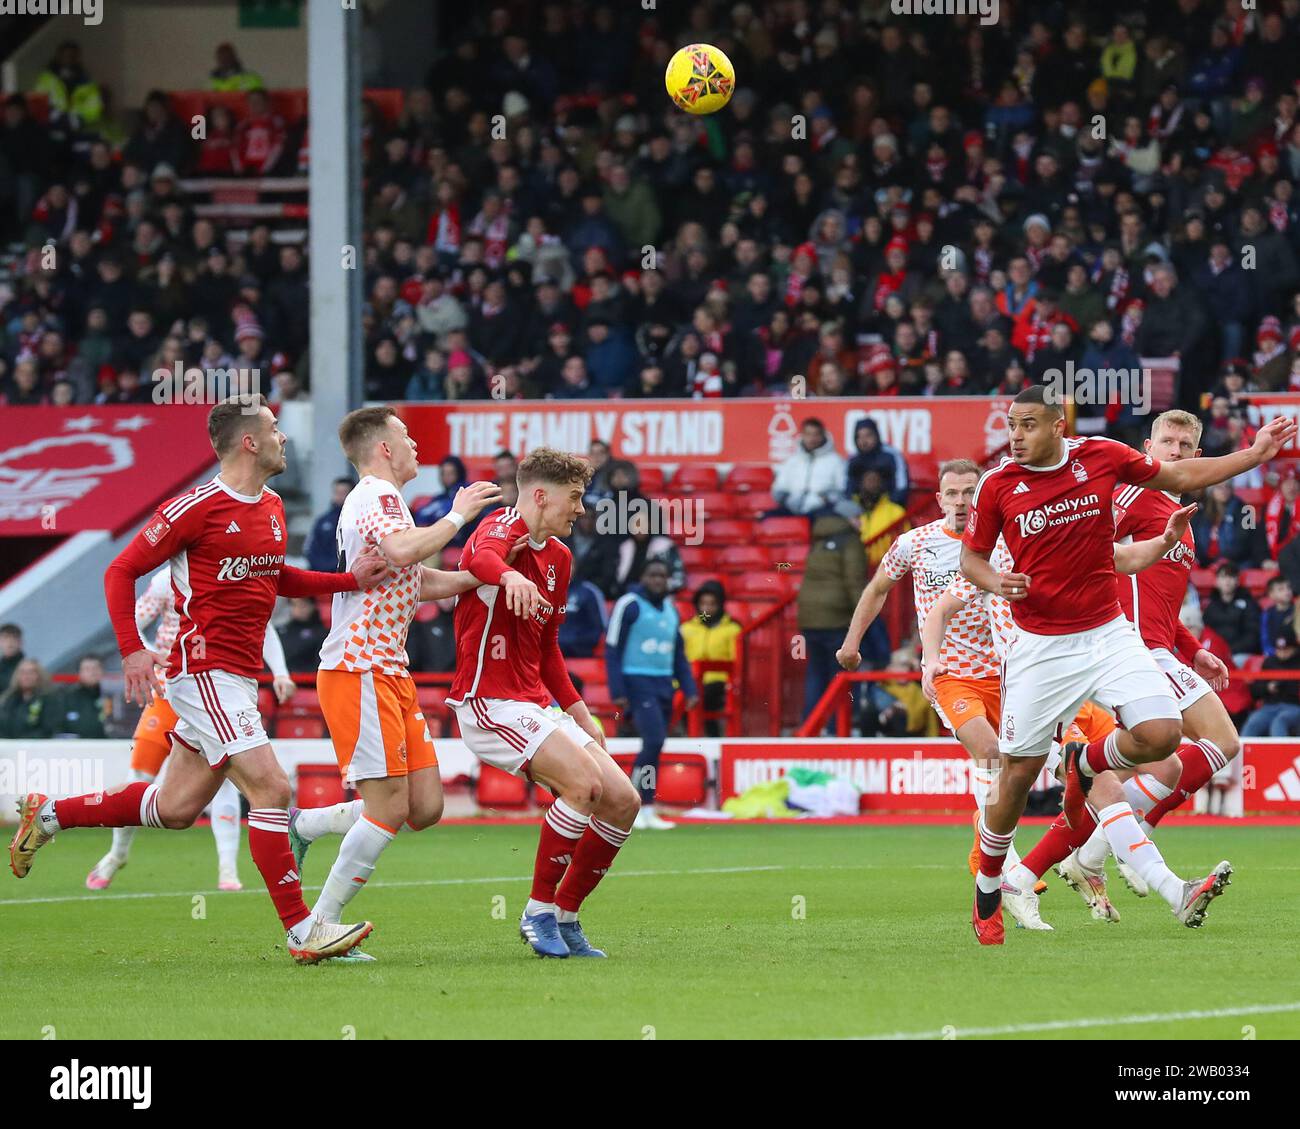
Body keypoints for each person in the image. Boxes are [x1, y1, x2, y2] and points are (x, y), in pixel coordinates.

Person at [9, 395, 390, 965]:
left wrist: (344, 580)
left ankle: (49, 814)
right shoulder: (195, 506)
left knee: (177, 807)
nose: (285, 437)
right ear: (249, 442)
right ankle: (303, 931)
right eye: (275, 428)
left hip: (238, 676)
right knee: (271, 788)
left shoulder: (273, 506)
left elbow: (274, 575)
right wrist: (132, 651)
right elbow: (121, 569)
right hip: (200, 670)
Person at [960, 385, 1293, 944]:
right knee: (1018, 773)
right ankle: (992, 882)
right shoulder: (997, 485)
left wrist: (1256, 455)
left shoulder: (1105, 459)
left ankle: (1086, 768)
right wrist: (998, 582)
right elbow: (973, 558)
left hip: (1110, 634)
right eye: (1011, 425)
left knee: (1163, 737)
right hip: (1042, 644)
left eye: (1027, 424)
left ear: (1057, 427)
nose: (1015, 435)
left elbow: (1173, 491)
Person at [1000, 411, 1245, 924]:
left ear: (1196, 455)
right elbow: (1084, 535)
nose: (1175, 451)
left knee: (1165, 766)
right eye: (1166, 441)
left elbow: (1159, 600)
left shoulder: (1180, 516)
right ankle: (1105, 849)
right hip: (1118, 649)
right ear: (1147, 446)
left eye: (1184, 444)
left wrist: (1192, 646)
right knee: (1215, 744)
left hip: (1155, 645)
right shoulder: (1136, 496)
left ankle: (1060, 863)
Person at [285, 408, 503, 958]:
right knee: (388, 808)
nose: (415, 448)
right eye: (406, 438)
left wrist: (491, 575)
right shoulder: (377, 496)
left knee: (424, 807)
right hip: (360, 668)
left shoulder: (384, 503)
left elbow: (417, 576)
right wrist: (458, 517)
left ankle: (307, 823)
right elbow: (407, 552)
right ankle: (318, 927)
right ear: (383, 448)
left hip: (388, 668)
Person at [447, 447, 641, 959]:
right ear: (540, 495)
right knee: (584, 785)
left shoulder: (560, 556)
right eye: (574, 498)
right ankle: (537, 912)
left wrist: (580, 712)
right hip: (487, 700)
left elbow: (548, 646)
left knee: (624, 800)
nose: (581, 509)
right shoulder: (499, 527)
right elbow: (482, 559)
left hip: (535, 703)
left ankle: (566, 916)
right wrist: (509, 576)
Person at [84, 564, 298, 893]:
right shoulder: (163, 582)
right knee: (140, 776)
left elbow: (262, 626)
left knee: (224, 782)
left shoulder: (233, 574)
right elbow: (132, 619)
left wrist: (280, 672)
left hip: (215, 693)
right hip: (170, 692)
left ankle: (227, 870)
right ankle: (116, 854)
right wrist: (144, 654)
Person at [605, 559, 698, 831]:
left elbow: (678, 654)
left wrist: (689, 688)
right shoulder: (629, 605)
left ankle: (643, 807)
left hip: (663, 684)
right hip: (637, 681)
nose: (658, 580)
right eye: (653, 575)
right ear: (643, 577)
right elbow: (613, 649)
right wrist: (618, 691)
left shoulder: (671, 610)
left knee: (655, 745)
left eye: (663, 576)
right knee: (654, 740)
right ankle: (637, 806)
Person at [800, 514, 869, 725]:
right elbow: (854, 582)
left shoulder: (818, 541)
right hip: (837, 617)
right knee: (840, 675)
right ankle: (836, 726)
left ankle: (811, 725)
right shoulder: (850, 543)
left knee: (816, 674)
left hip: (809, 617)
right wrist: (865, 613)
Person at [679, 580, 742, 737]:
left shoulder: (733, 629)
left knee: (704, 697)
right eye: (703, 603)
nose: (707, 608)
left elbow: (736, 661)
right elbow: (680, 657)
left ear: (720, 604)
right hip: (689, 679)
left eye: (712, 603)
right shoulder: (686, 629)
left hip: (719, 681)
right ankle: (687, 737)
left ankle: (709, 736)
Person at [771, 418, 852, 518]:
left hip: (823, 510)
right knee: (766, 519)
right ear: (802, 435)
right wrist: (789, 500)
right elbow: (779, 488)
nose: (812, 439)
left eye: (816, 434)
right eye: (808, 434)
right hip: (791, 509)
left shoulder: (836, 461)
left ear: (823, 435)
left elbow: (842, 490)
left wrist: (823, 499)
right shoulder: (792, 461)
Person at [1241, 629, 1300, 736]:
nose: (1282, 653)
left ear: (1294, 648)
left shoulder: (1298, 662)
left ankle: (1280, 753)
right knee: (1253, 722)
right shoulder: (1270, 662)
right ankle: (1242, 752)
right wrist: (1268, 687)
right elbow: (1255, 689)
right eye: (1279, 649)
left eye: (1286, 649)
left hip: (1293, 706)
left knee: (1279, 722)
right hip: (1269, 706)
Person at [1203, 560, 1261, 661]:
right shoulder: (1211, 607)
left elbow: (1252, 634)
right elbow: (1206, 632)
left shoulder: (1249, 604)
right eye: (1223, 577)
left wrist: (1230, 651)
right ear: (1216, 582)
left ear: (1237, 581)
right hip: (1215, 654)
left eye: (1231, 577)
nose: (1227, 581)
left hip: (1240, 653)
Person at [845, 417, 910, 505]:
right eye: (859, 437)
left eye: (868, 436)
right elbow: (848, 490)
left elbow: (901, 487)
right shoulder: (853, 460)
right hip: (860, 510)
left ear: (876, 435)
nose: (863, 441)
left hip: (889, 508)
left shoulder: (891, 455)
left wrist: (887, 507)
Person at [53, 654, 110, 738]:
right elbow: (58, 729)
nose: (92, 672)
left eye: (96, 668)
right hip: (76, 748)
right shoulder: (67, 698)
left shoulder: (114, 698)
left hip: (109, 747)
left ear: (102, 671)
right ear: (79, 673)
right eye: (87, 669)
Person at [303, 477, 353, 572]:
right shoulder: (322, 521)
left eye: (343, 493)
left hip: (346, 576)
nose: (339, 496)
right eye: (336, 492)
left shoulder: (356, 521)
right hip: (322, 576)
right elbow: (309, 549)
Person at [0, 659, 56, 739]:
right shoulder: (8, 699)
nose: (26, 676)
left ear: (39, 676)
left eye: (31, 672)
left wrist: (21, 742)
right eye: (22, 672)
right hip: (9, 746)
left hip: (36, 747)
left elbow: (48, 729)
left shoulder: (49, 700)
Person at [558, 576, 608, 658]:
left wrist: (573, 643)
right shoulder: (546, 589)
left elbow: (600, 628)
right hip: (548, 652)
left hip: (578, 654)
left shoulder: (589, 592)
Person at [0, 624, 26, 696]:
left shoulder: (31, 669)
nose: (10, 642)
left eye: (14, 638)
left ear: (20, 642)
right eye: (6, 638)